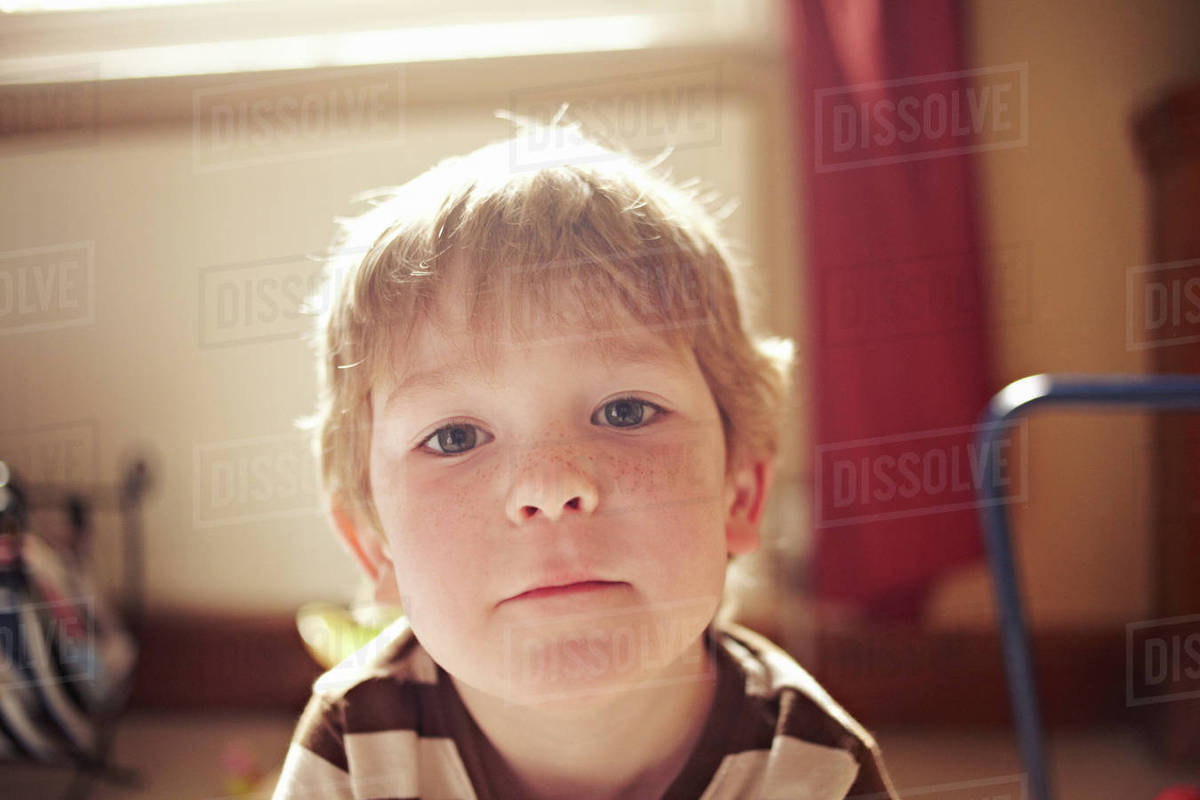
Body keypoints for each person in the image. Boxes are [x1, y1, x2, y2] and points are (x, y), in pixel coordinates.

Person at [273, 114, 900, 800]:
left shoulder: (815, 770)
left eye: (625, 412)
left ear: (741, 493)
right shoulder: (355, 746)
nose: (549, 485)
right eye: (454, 437)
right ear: (373, 547)